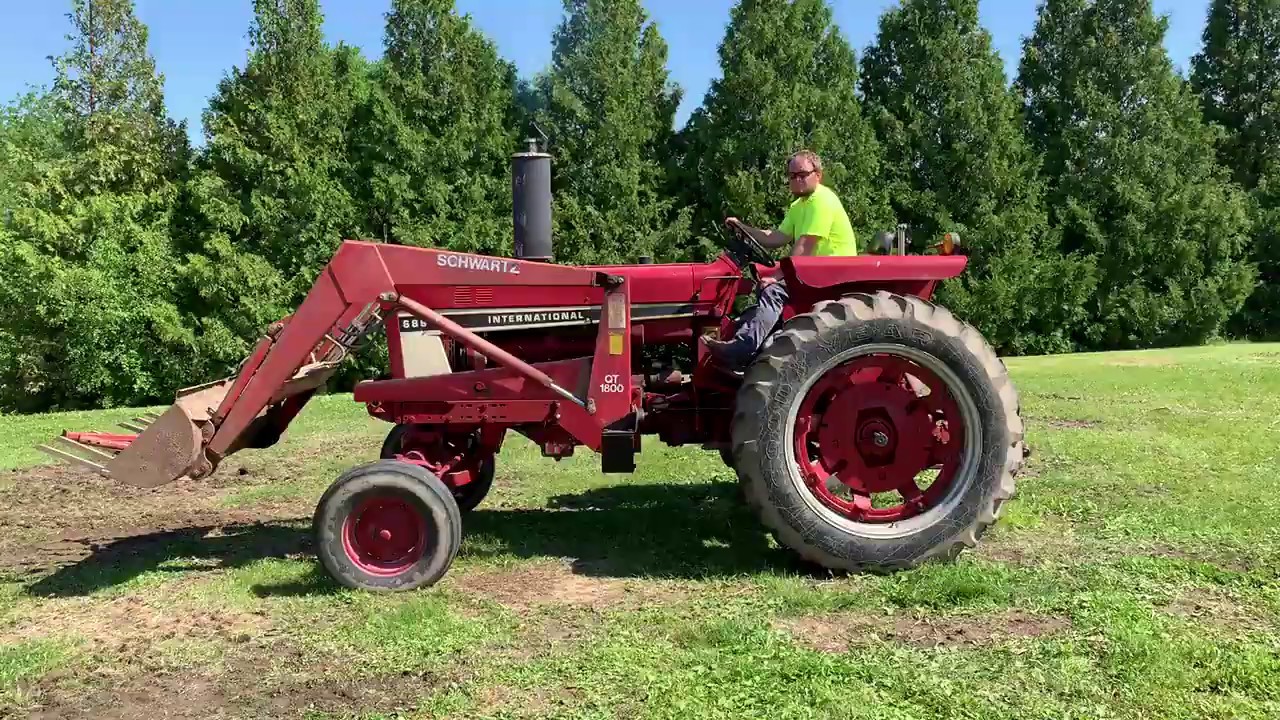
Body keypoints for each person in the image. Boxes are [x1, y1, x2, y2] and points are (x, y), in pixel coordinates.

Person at [704, 149, 859, 370]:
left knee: (773, 291)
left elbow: (805, 247)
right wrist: (742, 227)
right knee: (763, 283)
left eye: (802, 174)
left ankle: (743, 350)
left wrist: (778, 276)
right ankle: (762, 346)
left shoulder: (822, 201)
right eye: (792, 176)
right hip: (814, 272)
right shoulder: (800, 205)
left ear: (818, 175)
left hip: (832, 276)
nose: (797, 180)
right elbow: (777, 237)